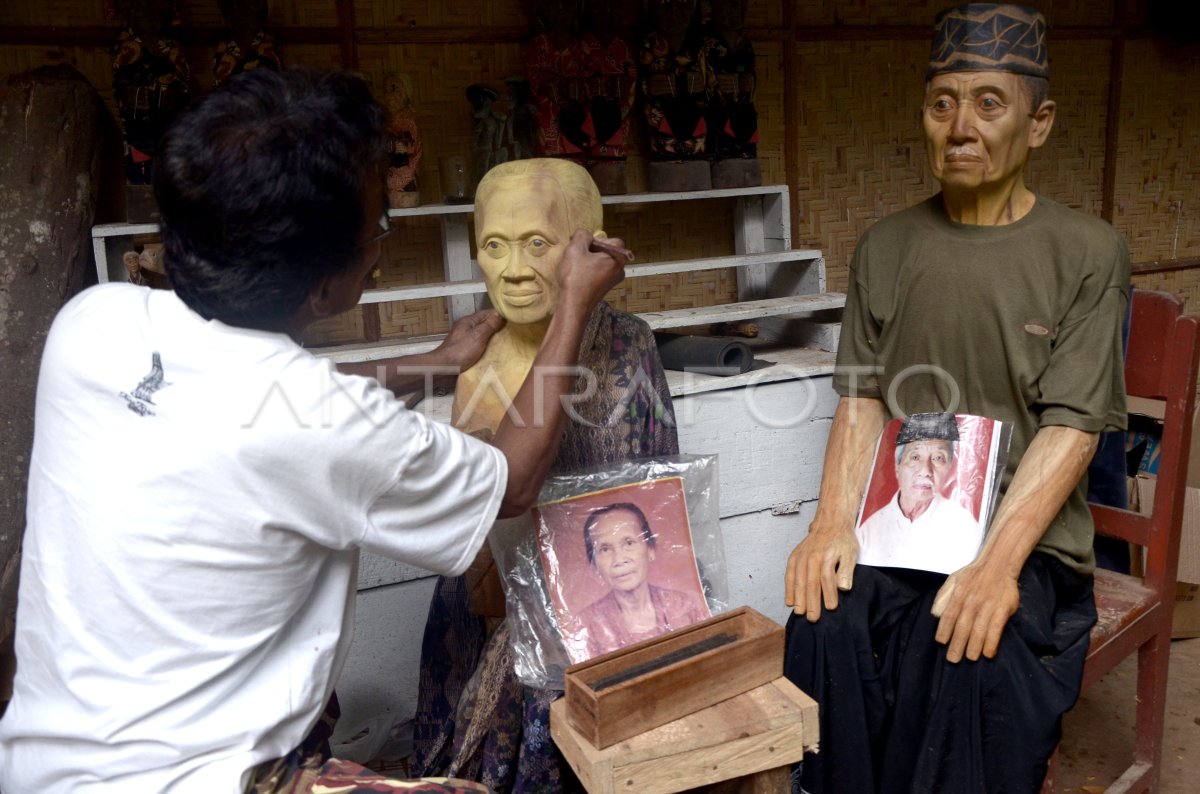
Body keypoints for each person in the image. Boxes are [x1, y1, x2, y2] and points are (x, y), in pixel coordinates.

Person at [0, 66, 630, 794]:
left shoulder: (93, 324)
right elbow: (513, 481)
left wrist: (435, 363)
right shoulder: (323, 422)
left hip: (40, 763)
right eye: (377, 228)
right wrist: (574, 307)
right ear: (325, 285)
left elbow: (267, 396)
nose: (515, 270)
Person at [782, 5, 1129, 793]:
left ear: (1039, 124)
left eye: (988, 104)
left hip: (1026, 543)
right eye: (942, 104)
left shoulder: (1087, 251)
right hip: (906, 524)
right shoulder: (886, 245)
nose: (960, 127)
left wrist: (996, 565)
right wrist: (831, 522)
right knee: (822, 621)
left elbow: (1073, 427)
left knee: (972, 649)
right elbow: (863, 398)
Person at [412, 157, 677, 792]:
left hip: (611, 603)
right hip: (500, 607)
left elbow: (658, 495)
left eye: (537, 244)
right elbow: (486, 526)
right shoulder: (478, 360)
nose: (512, 270)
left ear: (593, 249)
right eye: (494, 246)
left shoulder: (629, 345)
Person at [856, 412, 983, 574]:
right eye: (915, 457)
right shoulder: (869, 530)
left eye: (938, 458)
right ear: (897, 467)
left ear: (949, 467)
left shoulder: (964, 526)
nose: (925, 471)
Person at [577, 502, 709, 658]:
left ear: (650, 549)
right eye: (604, 549)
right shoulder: (586, 625)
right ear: (594, 565)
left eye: (629, 543)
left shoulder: (686, 606)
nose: (619, 560)